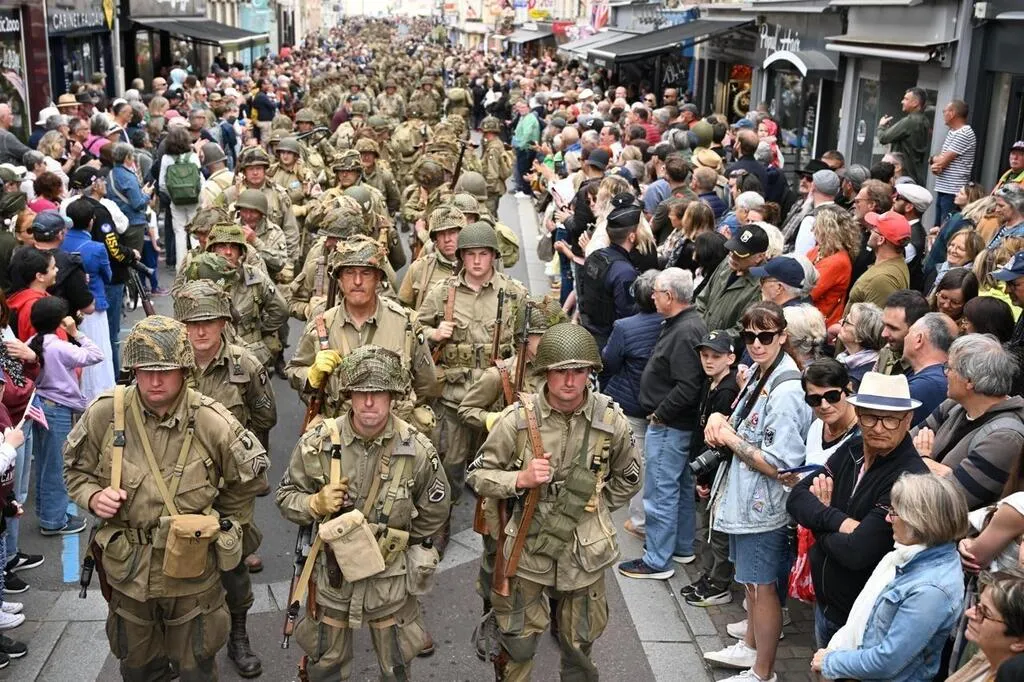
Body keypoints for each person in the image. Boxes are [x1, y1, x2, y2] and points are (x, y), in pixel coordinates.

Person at [64, 315, 268, 681]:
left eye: (166, 370)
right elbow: (74, 470)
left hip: (192, 570)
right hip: (128, 569)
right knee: (138, 667)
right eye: (145, 370)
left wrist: (221, 526)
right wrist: (93, 497)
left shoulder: (211, 420)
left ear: (184, 369)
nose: (155, 381)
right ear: (133, 369)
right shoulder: (106, 413)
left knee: (195, 666)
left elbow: (250, 480)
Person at [466, 323, 641, 681]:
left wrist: (597, 502)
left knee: (579, 647)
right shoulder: (516, 421)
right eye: (561, 371)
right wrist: (520, 479)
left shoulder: (610, 420)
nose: (569, 381)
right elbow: (478, 475)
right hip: (527, 547)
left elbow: (630, 476)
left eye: (579, 371)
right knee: (519, 645)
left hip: (584, 553)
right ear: (545, 373)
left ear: (590, 373)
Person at [276, 345, 449, 680]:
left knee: (396, 665)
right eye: (361, 393)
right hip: (332, 579)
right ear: (349, 395)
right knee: (325, 665)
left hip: (390, 582)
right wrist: (315, 503)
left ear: (393, 396)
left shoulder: (417, 450)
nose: (369, 403)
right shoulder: (318, 443)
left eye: (379, 393)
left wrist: (397, 542)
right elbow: (285, 497)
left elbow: (435, 510)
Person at [172, 280, 277, 675]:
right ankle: (197, 641)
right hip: (180, 484)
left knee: (232, 563)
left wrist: (249, 469)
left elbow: (265, 419)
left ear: (223, 323)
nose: (200, 331)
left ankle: (238, 635)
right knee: (186, 559)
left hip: (231, 485)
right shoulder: (169, 366)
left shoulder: (245, 365)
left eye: (209, 322)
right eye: (192, 323)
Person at [703, 302, 813, 681]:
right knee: (751, 583)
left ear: (782, 336)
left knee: (762, 587)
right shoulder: (760, 374)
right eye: (750, 337)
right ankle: (750, 648)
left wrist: (731, 440)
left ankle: (763, 672)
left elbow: (783, 464)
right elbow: (740, 420)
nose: (757, 344)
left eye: (766, 336)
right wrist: (720, 418)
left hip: (764, 508)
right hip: (746, 501)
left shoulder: (785, 391)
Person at [787, 371, 929, 648]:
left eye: (890, 419)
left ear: (908, 420)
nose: (878, 427)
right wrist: (838, 520)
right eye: (869, 417)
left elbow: (858, 552)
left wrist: (819, 519)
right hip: (826, 604)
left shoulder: (909, 477)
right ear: (858, 413)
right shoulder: (852, 448)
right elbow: (797, 498)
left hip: (861, 616)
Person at [811, 473, 968, 682]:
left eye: (894, 512)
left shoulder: (931, 590)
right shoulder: (909, 553)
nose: (887, 519)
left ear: (919, 521)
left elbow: (887, 661)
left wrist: (832, 662)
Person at [618, 268, 707, 579]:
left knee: (660, 491)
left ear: (669, 297)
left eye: (656, 292)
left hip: (670, 426)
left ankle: (656, 560)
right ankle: (681, 547)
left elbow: (687, 386)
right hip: (677, 425)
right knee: (680, 487)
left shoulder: (684, 331)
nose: (651, 296)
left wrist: (661, 414)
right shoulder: (685, 324)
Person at [913, 334, 1024, 509]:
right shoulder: (953, 406)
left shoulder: (1006, 438)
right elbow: (899, 447)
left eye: (949, 367)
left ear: (970, 381)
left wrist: (924, 459)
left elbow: (951, 500)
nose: (945, 373)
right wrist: (941, 473)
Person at [29, 296, 102, 536]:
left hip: (39, 405)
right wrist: (75, 332)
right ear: (59, 321)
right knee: (57, 465)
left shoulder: (32, 342)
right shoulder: (60, 347)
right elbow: (95, 354)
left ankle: (47, 512)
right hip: (57, 408)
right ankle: (54, 520)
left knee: (43, 462)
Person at [600, 270, 663, 539]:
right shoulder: (671, 324)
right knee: (657, 464)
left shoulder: (625, 327)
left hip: (632, 401)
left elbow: (609, 362)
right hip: (663, 404)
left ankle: (639, 520)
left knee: (637, 461)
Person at [61, 198, 114, 401]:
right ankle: (100, 394)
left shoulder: (62, 242)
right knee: (98, 349)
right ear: (91, 221)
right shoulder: (97, 248)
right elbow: (108, 276)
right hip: (94, 304)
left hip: (68, 308)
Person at [578, 193, 641, 349]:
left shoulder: (595, 256)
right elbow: (628, 316)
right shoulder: (624, 272)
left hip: (590, 332)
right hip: (609, 341)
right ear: (632, 237)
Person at [696, 223, 770, 336]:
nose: (733, 257)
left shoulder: (762, 285)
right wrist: (698, 329)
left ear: (759, 257)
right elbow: (702, 299)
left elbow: (742, 329)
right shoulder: (727, 262)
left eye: (740, 254)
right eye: (732, 250)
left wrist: (712, 340)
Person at [946, 576, 1024, 682]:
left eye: (985, 612)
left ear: (1020, 641)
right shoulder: (985, 658)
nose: (969, 613)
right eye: (978, 605)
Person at [157, 125, 201, 270]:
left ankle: (181, 267)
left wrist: (173, 195)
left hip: (176, 202)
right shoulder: (193, 156)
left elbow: (162, 184)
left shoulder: (166, 158)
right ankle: (198, 262)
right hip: (194, 200)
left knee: (179, 232)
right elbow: (200, 180)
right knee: (195, 231)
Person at [902, 312, 958, 424]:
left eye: (908, 333)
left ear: (919, 339)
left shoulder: (922, 387)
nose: (905, 338)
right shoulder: (945, 378)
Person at [809, 205, 858, 326]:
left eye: (817, 226)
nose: (813, 230)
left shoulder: (838, 262)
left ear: (827, 230)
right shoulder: (818, 250)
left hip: (819, 324)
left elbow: (807, 292)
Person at [930, 100, 977, 224]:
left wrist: (933, 160)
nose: (943, 115)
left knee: (945, 227)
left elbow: (943, 160)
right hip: (944, 187)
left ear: (952, 113)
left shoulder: (964, 133)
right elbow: (940, 162)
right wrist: (937, 165)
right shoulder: (952, 132)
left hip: (953, 190)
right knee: (937, 227)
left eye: (944, 111)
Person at [877, 88, 930, 187]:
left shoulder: (910, 121)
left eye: (906, 99)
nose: (902, 101)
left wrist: (881, 126)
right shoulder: (924, 121)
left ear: (915, 103)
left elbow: (883, 138)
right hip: (914, 175)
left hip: (903, 176)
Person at [875, 289, 930, 377]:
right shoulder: (886, 353)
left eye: (893, 328)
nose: (883, 334)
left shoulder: (926, 372)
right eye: (884, 325)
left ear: (916, 329)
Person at [835, 302, 886, 390]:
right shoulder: (845, 359)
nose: (840, 322)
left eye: (846, 321)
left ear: (860, 337)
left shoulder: (864, 377)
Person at [792, 169, 840, 257]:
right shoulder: (845, 215)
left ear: (813, 187)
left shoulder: (811, 220)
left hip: (816, 268)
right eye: (802, 177)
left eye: (810, 179)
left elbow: (802, 258)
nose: (803, 180)